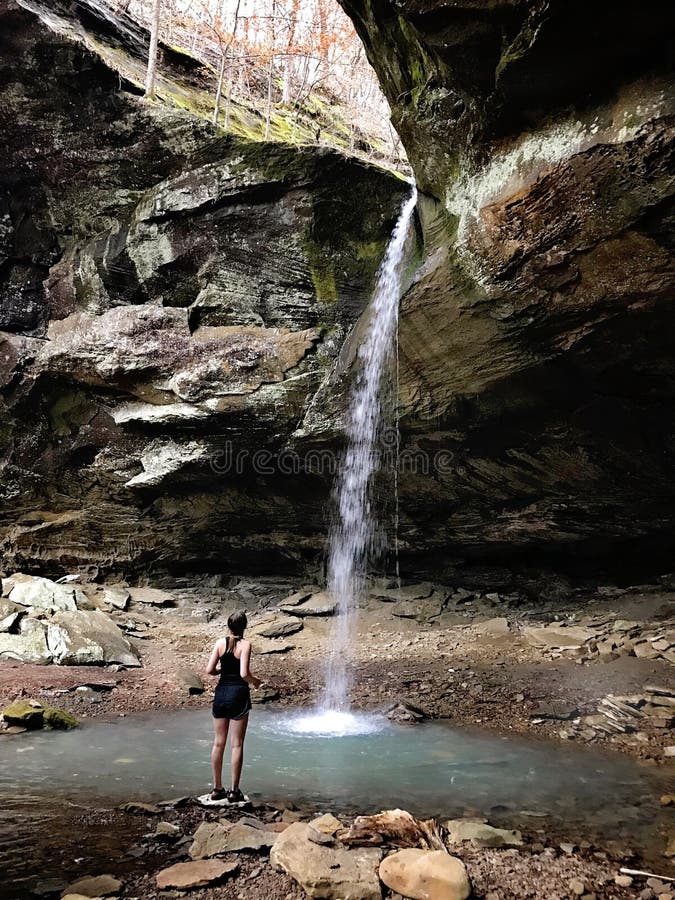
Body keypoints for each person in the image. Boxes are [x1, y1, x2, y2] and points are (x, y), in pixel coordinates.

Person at [205, 610, 264, 802]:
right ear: (244, 627)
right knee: (237, 744)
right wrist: (255, 681)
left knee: (218, 742)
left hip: (221, 694)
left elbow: (209, 670)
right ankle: (234, 791)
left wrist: (223, 669)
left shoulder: (220, 643)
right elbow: (243, 673)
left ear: (229, 626)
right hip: (238, 694)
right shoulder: (245, 645)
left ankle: (216, 789)